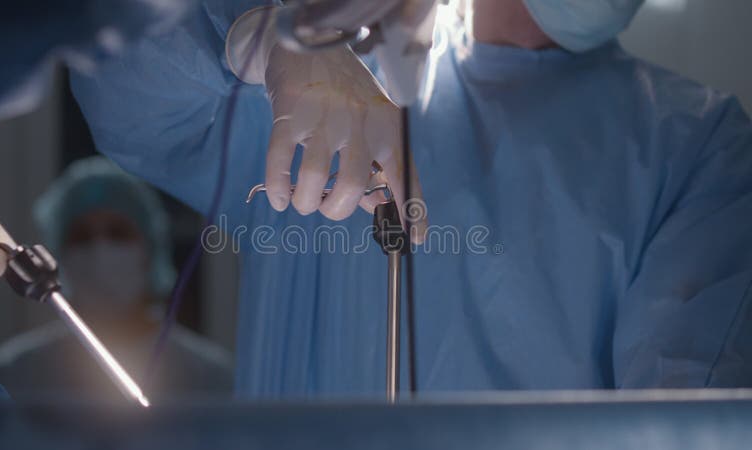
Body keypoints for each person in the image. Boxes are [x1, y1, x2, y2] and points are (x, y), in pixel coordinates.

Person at [69, 0, 752, 398]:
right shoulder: (330, 84)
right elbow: (120, 87)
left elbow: (684, 420)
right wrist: (253, 32)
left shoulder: (697, 145)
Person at [0, 157, 233, 401]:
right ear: (58, 256)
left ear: (150, 250)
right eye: (82, 237)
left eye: (117, 233)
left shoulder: (211, 379)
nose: (100, 250)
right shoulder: (14, 375)